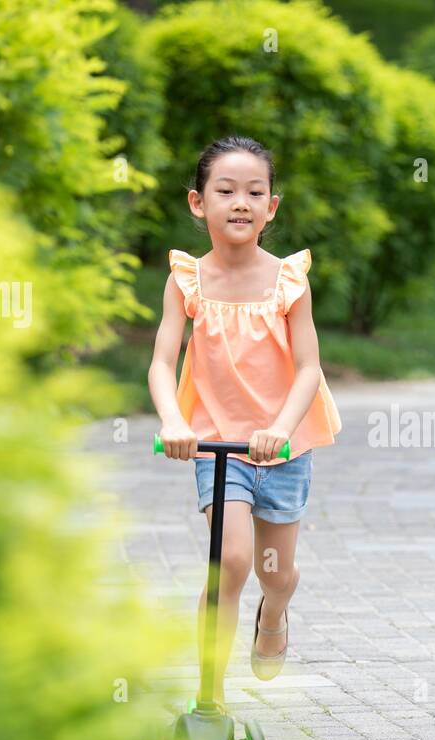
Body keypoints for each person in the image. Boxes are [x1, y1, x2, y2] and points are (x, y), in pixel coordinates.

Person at [148, 135, 341, 709]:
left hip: (282, 446)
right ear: (197, 203)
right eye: (225, 190)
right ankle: (210, 699)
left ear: (271, 208)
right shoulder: (187, 280)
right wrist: (174, 422)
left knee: (273, 571)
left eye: (254, 192)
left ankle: (275, 612)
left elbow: (309, 367)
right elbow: (161, 360)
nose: (240, 202)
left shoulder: (288, 281)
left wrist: (281, 428)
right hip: (218, 445)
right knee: (227, 564)